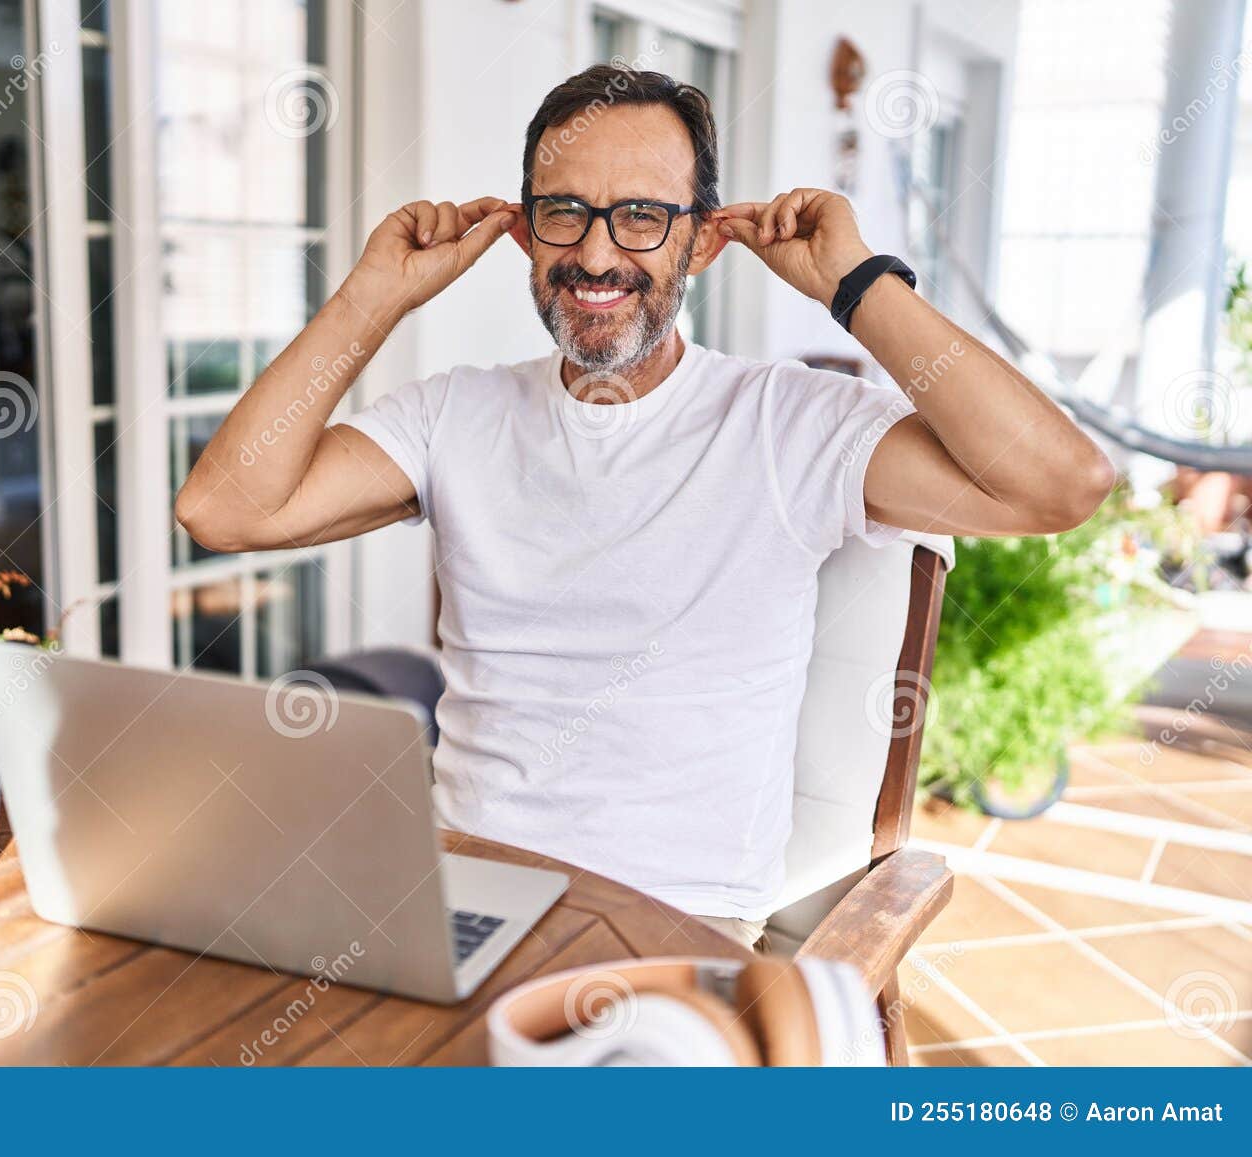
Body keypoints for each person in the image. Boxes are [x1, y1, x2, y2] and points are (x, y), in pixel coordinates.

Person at [174, 65, 1114, 951]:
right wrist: (372, 298)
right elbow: (226, 510)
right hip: (458, 897)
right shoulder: (453, 414)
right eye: (564, 213)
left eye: (640, 217)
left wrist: (856, 283)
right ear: (521, 230)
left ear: (703, 239)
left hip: (672, 932)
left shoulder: (789, 422)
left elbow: (1059, 484)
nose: (594, 254)